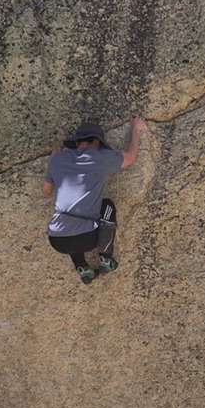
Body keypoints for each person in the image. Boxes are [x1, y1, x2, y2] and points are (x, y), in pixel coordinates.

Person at [44, 117, 146, 284]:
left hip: (56, 241)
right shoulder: (99, 157)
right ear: (96, 142)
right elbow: (130, 158)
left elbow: (47, 192)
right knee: (107, 206)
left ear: (77, 142)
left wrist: (52, 161)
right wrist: (136, 129)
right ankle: (105, 257)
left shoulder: (58, 158)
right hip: (86, 238)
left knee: (68, 222)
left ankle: (82, 267)